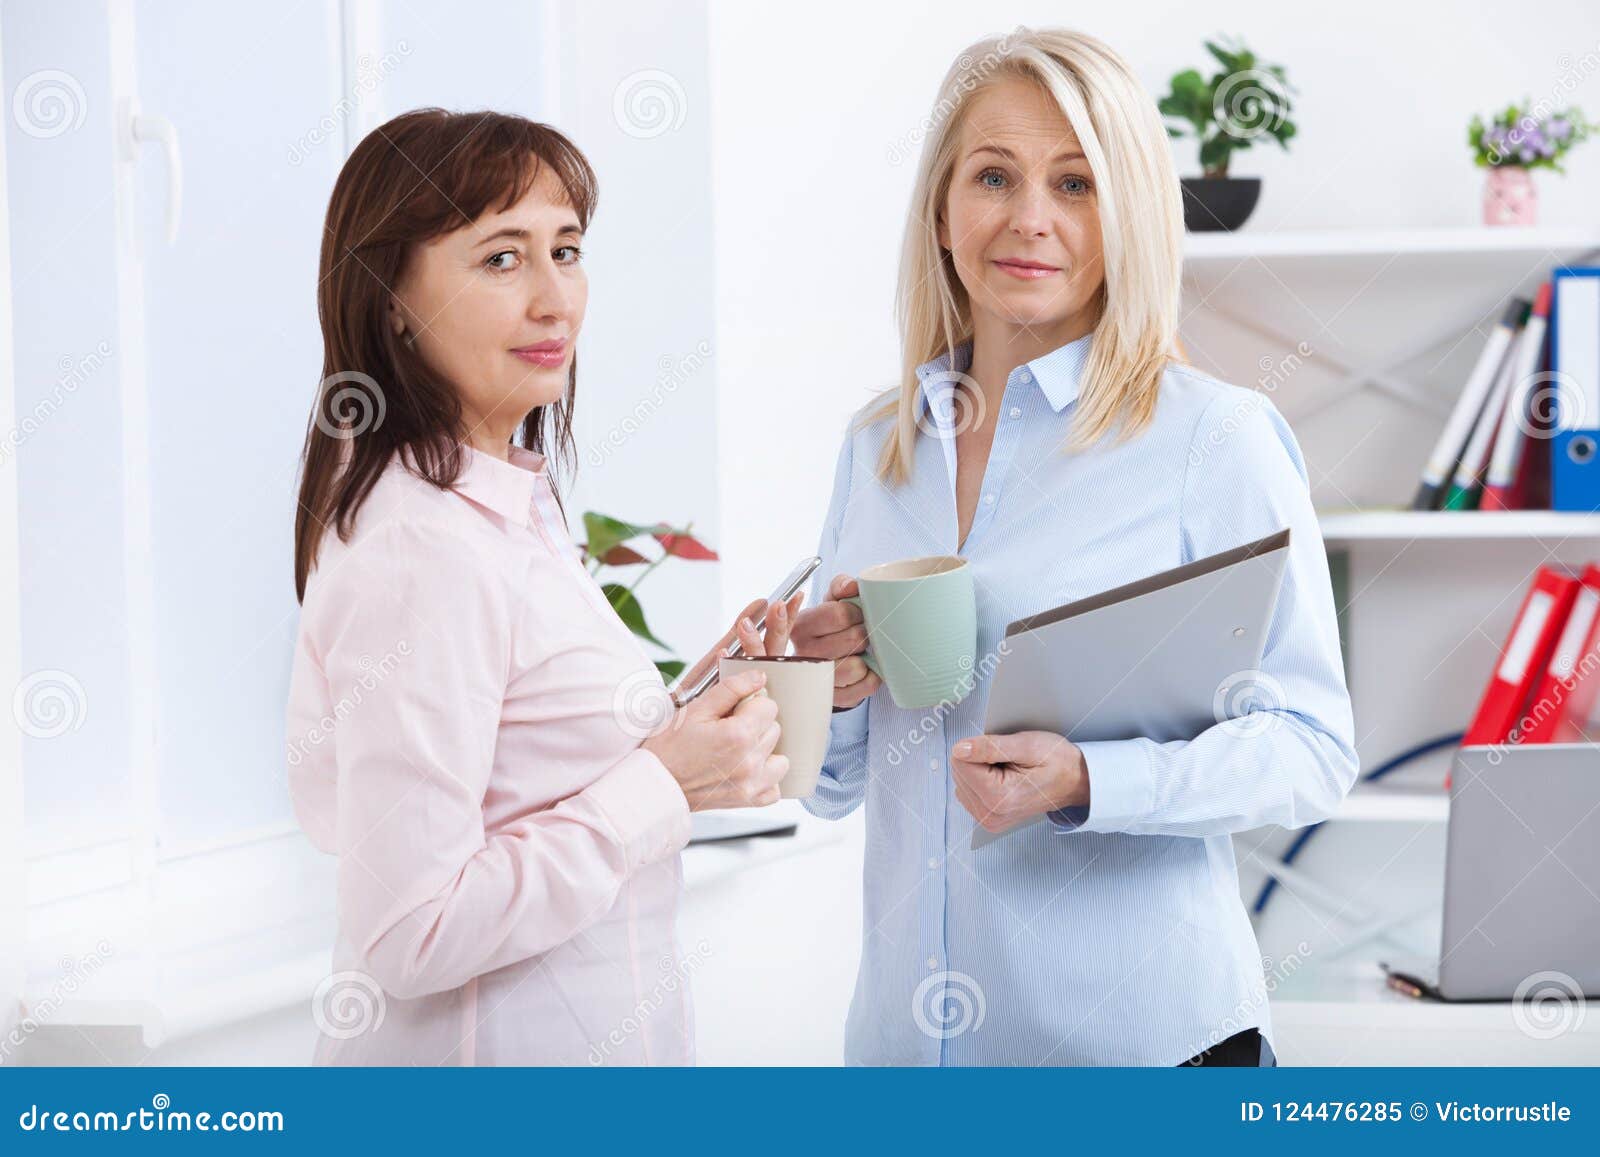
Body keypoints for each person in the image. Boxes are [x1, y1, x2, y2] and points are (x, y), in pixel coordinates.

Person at [740, 28, 1356, 1066]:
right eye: (993, 175)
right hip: (904, 1053)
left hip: (1138, 1056)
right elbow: (835, 786)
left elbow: (1311, 749)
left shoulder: (1212, 438)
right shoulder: (876, 447)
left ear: (1129, 218)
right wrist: (821, 684)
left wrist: (1087, 780)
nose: (1030, 219)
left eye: (1075, 183)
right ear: (942, 210)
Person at [285, 109, 794, 1065]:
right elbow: (412, 932)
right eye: (501, 259)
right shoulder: (421, 550)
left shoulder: (508, 504)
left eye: (567, 250)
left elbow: (529, 770)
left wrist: (692, 716)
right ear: (391, 297)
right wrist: (663, 782)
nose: (557, 300)